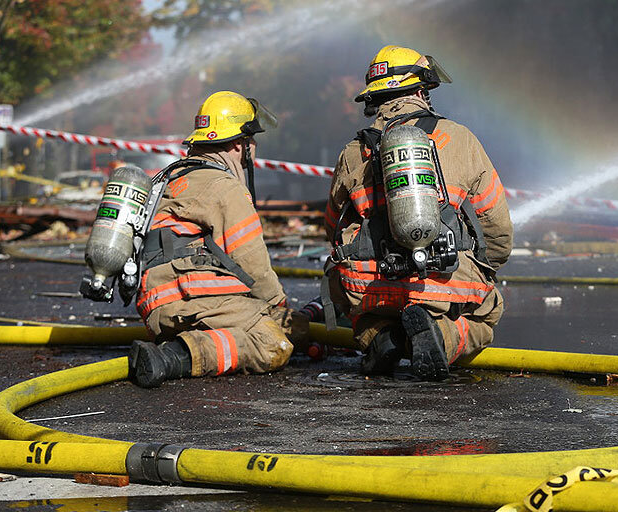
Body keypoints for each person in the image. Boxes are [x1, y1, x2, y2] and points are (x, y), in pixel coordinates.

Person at [322, 45, 513, 381]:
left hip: (371, 286)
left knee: (336, 276)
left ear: (375, 97)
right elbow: (497, 228)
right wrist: (483, 269)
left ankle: (380, 335)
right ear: (422, 90)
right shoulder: (459, 138)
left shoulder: (353, 152)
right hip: (442, 280)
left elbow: (334, 229)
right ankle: (440, 336)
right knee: (489, 310)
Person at [129, 90, 308, 388]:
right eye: (252, 141)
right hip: (191, 300)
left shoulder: (170, 179)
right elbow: (253, 264)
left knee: (296, 327)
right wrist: (278, 305)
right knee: (272, 345)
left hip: (159, 308)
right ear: (239, 145)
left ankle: (178, 346)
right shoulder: (224, 188)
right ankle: (171, 358)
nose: (254, 148)